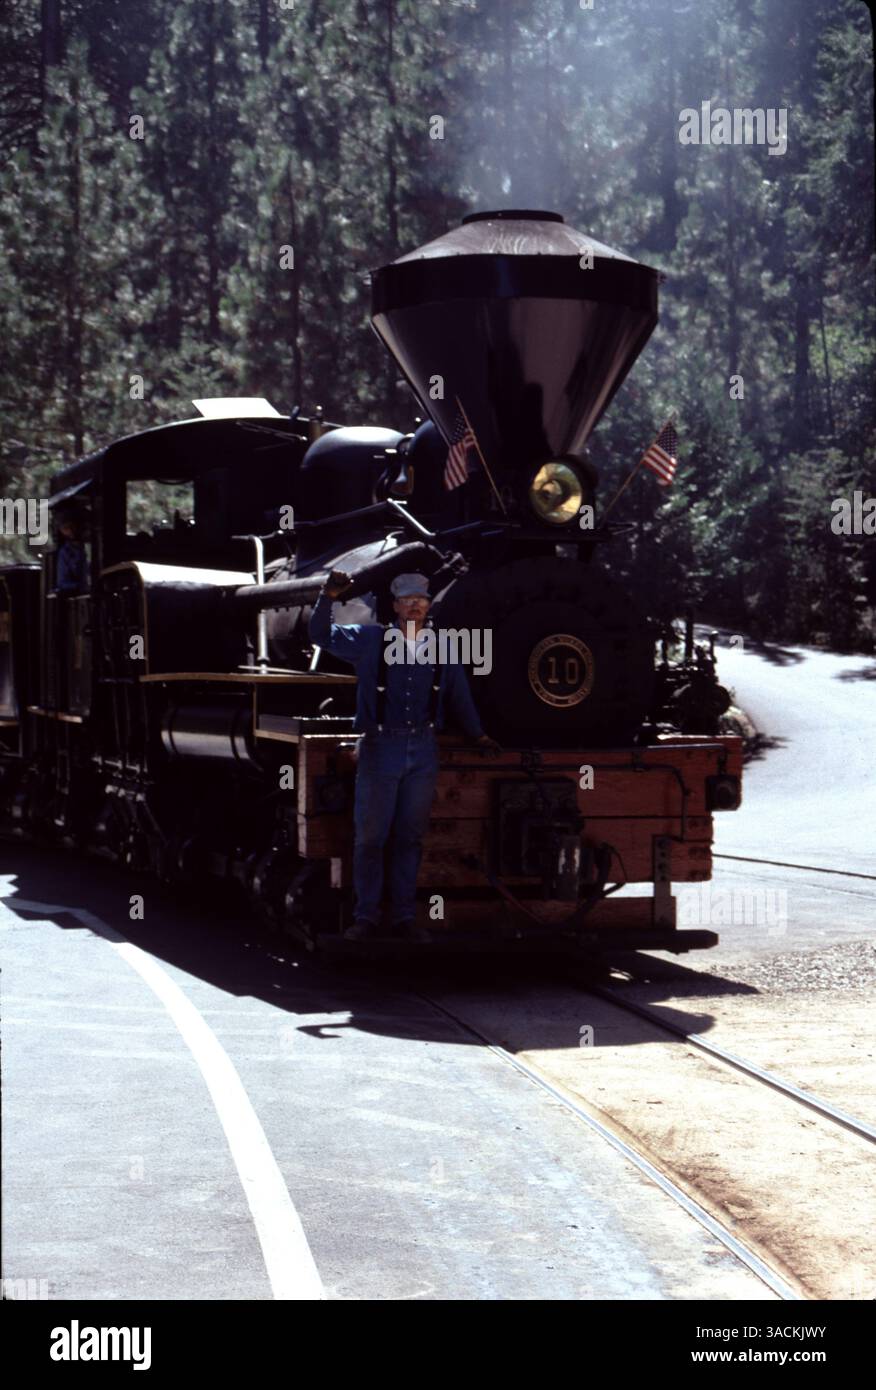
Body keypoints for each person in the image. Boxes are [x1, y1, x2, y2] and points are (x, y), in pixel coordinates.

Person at [309, 570, 502, 941]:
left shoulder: (444, 647)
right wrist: (328, 597)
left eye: (421, 600)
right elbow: (321, 636)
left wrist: (478, 734)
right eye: (407, 600)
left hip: (424, 750)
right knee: (370, 837)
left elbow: (459, 694)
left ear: (429, 606)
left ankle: (403, 918)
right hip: (381, 748)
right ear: (396, 606)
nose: (414, 605)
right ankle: (365, 918)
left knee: (409, 838)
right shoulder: (370, 641)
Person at [54, 506, 88, 594]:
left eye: (72, 526)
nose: (71, 530)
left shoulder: (89, 546)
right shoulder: (65, 552)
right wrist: (80, 586)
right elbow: (62, 583)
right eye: (66, 528)